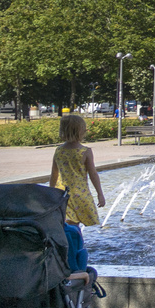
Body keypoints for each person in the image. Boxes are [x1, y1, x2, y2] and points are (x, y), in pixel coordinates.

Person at [50, 114, 105, 275]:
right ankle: (76, 260)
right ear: (80, 131)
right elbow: (93, 174)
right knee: (75, 229)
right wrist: (100, 194)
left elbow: (53, 174)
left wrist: (50, 194)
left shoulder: (59, 151)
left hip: (62, 195)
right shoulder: (85, 151)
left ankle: (68, 257)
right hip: (80, 195)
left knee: (67, 227)